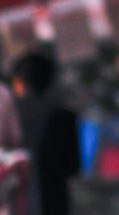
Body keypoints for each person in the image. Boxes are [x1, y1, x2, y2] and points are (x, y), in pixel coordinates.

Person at [11, 53, 79, 215]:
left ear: (19, 82)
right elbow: (73, 167)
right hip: (53, 203)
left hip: (15, 202)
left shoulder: (10, 113)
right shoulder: (64, 116)